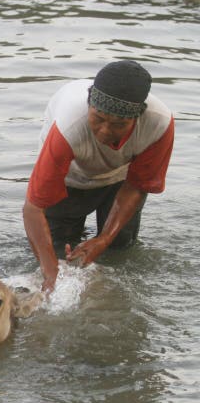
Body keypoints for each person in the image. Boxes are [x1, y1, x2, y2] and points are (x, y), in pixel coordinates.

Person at [22, 60, 174, 293]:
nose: (104, 131)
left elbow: (136, 185)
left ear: (136, 118)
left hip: (120, 179)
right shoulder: (69, 125)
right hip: (69, 177)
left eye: (118, 124)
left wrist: (104, 238)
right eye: (99, 118)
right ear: (89, 105)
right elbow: (34, 207)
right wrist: (50, 270)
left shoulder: (158, 124)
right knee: (59, 252)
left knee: (120, 248)